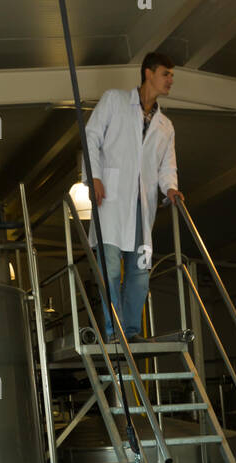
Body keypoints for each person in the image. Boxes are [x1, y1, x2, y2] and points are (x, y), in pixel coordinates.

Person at [83, 51, 184, 342]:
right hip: (110, 201)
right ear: (148, 73)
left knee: (140, 273)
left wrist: (171, 189)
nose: (170, 81)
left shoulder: (165, 125)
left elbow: (168, 166)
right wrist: (95, 177)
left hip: (142, 207)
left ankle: (131, 331)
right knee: (111, 270)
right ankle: (113, 331)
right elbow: (91, 135)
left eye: (172, 76)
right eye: (166, 74)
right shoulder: (114, 101)